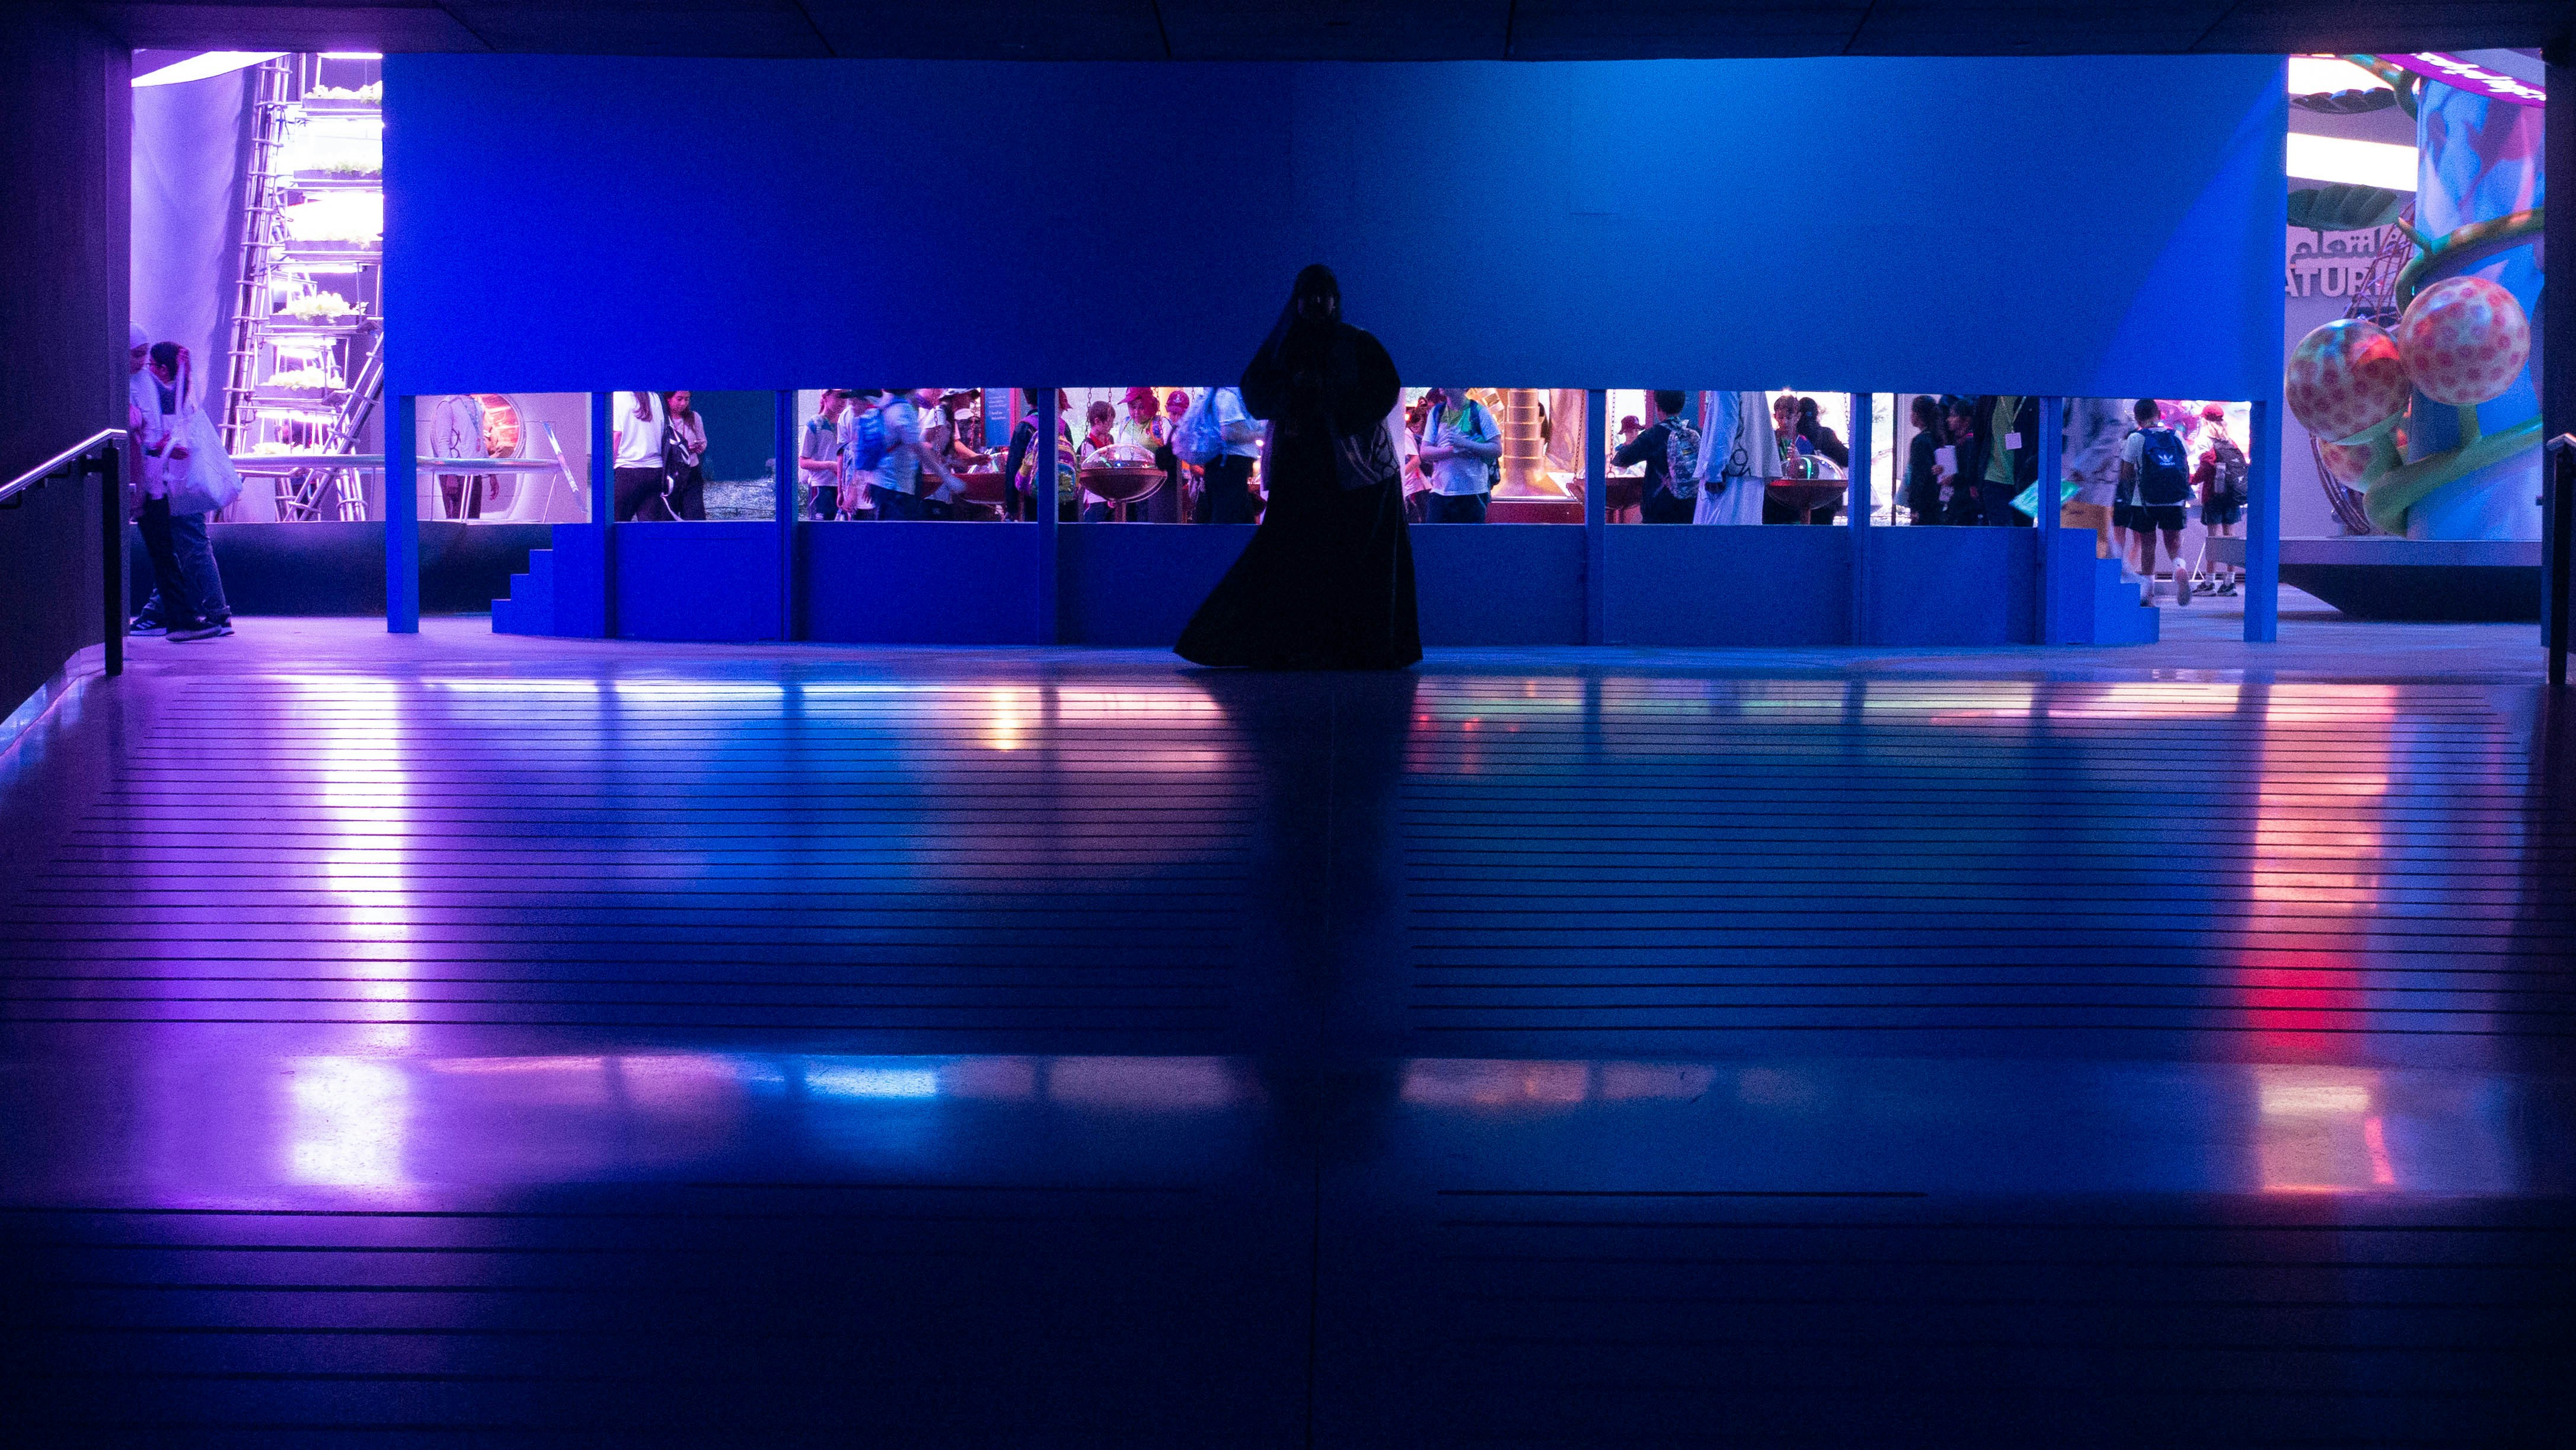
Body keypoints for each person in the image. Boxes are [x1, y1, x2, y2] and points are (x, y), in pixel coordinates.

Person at [1175, 264, 1418, 669]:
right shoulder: (1283, 345)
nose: (1317, 302)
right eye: (1310, 294)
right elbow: (1256, 393)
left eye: (1323, 295)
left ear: (1334, 300)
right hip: (1306, 471)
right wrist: (1295, 394)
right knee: (1292, 559)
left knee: (1352, 560)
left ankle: (1356, 648)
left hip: (1357, 475)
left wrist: (1331, 404)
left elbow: (1383, 390)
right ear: (1299, 300)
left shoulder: (1352, 343)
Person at [127, 330, 233, 640]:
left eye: (148, 356)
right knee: (175, 549)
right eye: (138, 354)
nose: (144, 363)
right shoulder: (153, 388)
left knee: (176, 548)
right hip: (166, 480)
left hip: (164, 480)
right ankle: (177, 614)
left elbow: (155, 426)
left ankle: (182, 614)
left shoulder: (144, 387)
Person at [2121, 397, 2193, 607]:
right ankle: (2179, 569)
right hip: (2174, 500)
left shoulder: (2136, 438)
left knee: (2148, 545)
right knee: (2173, 542)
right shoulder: (2176, 435)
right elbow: (2185, 468)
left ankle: (2149, 594)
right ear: (2159, 415)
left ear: (2137, 417)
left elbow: (2126, 474)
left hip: (2144, 501)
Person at [871, 387, 963, 520]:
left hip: (884, 485)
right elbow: (919, 449)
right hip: (897, 490)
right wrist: (947, 478)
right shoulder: (902, 410)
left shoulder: (885, 406)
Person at [1693, 390, 1783, 526]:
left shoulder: (1726, 374)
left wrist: (1714, 472)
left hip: (1729, 474)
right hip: (1753, 469)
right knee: (1746, 537)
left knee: (1717, 539)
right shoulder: (1754, 375)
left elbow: (1725, 421)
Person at [1415, 385, 1502, 524]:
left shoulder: (1479, 412)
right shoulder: (1437, 412)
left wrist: (1466, 444)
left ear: (1464, 387)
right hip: (1440, 491)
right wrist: (1453, 451)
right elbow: (1425, 452)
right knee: (1437, 542)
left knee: (1469, 542)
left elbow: (1497, 449)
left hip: (1473, 493)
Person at [1611, 390, 1697, 524]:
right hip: (1691, 510)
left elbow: (1620, 459)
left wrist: (1627, 445)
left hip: (1659, 513)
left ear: (1658, 408)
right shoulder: (1695, 431)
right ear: (1682, 406)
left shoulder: (1654, 435)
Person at [2194, 402, 2246, 597]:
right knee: (2230, 539)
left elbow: (2206, 468)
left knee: (2213, 539)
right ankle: (2230, 583)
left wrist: (2191, 480)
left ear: (2204, 420)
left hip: (2213, 495)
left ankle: (2209, 583)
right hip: (2231, 496)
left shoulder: (2204, 440)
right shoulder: (2230, 441)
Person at [1191, 384, 1261, 524]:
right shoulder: (1229, 394)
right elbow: (1229, 431)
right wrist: (1261, 434)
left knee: (1239, 519)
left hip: (1228, 467)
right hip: (1229, 467)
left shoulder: (1223, 393)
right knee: (1229, 522)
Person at [610, 389, 668, 521]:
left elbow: (617, 435)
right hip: (655, 472)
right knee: (650, 531)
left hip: (627, 470)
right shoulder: (654, 397)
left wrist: (609, 467)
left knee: (616, 525)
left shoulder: (619, 396)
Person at [800, 390, 852, 520]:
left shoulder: (845, 422)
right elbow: (803, 462)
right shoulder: (814, 425)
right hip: (821, 486)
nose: (843, 401)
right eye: (839, 396)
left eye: (846, 397)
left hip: (844, 487)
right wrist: (829, 465)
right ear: (826, 396)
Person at [660, 390, 708, 521]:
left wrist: (699, 447)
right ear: (669, 399)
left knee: (695, 516)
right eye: (679, 399)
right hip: (670, 473)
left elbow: (703, 441)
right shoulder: (663, 419)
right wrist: (683, 449)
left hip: (691, 470)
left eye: (687, 399)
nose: (683, 403)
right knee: (668, 517)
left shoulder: (694, 417)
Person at [1901, 395, 1946, 525]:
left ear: (1917, 415)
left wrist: (1915, 506)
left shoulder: (1920, 441)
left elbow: (1919, 476)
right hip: (1937, 500)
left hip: (1925, 504)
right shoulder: (1938, 438)